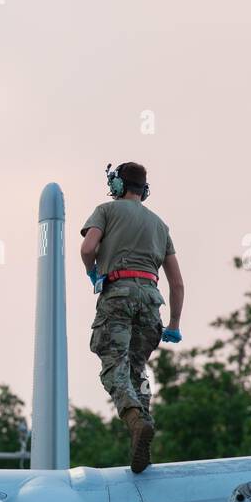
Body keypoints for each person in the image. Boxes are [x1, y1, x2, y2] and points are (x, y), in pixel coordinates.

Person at [80, 162, 184, 474]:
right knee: (136, 369)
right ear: (145, 190)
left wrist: (93, 271)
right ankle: (144, 429)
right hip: (151, 298)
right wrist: (175, 325)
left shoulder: (106, 210)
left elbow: (87, 248)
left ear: (116, 186)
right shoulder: (160, 225)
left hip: (119, 294)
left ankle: (135, 420)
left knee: (114, 368)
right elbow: (177, 283)